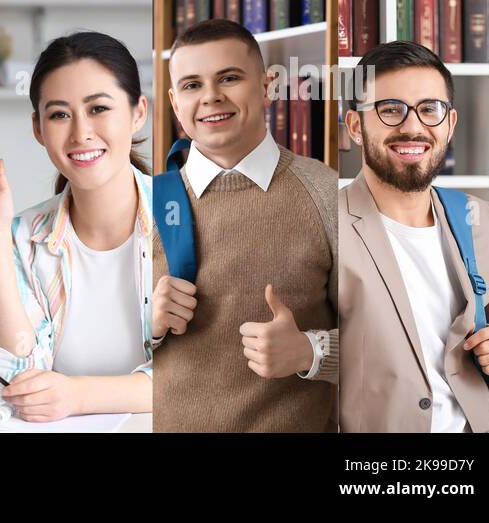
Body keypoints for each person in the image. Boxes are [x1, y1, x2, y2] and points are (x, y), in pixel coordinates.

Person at [153, 19, 338, 432]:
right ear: (174, 100)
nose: (211, 97)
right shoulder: (141, 203)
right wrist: (144, 326)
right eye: (191, 85)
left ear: (269, 85)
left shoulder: (328, 194)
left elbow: (385, 341)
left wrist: (310, 351)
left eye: (229, 78)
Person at [0, 32, 152, 422]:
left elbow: (208, 373)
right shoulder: (21, 237)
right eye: (59, 114)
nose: (80, 132)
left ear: (138, 112)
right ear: (38, 128)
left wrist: (78, 395)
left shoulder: (192, 219)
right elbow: (17, 381)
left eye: (99, 108)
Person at [339, 41, 489, 432]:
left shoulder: (478, 218)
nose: (412, 127)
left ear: (450, 124)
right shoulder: (323, 224)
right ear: (356, 126)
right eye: (390, 110)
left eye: (429, 109)